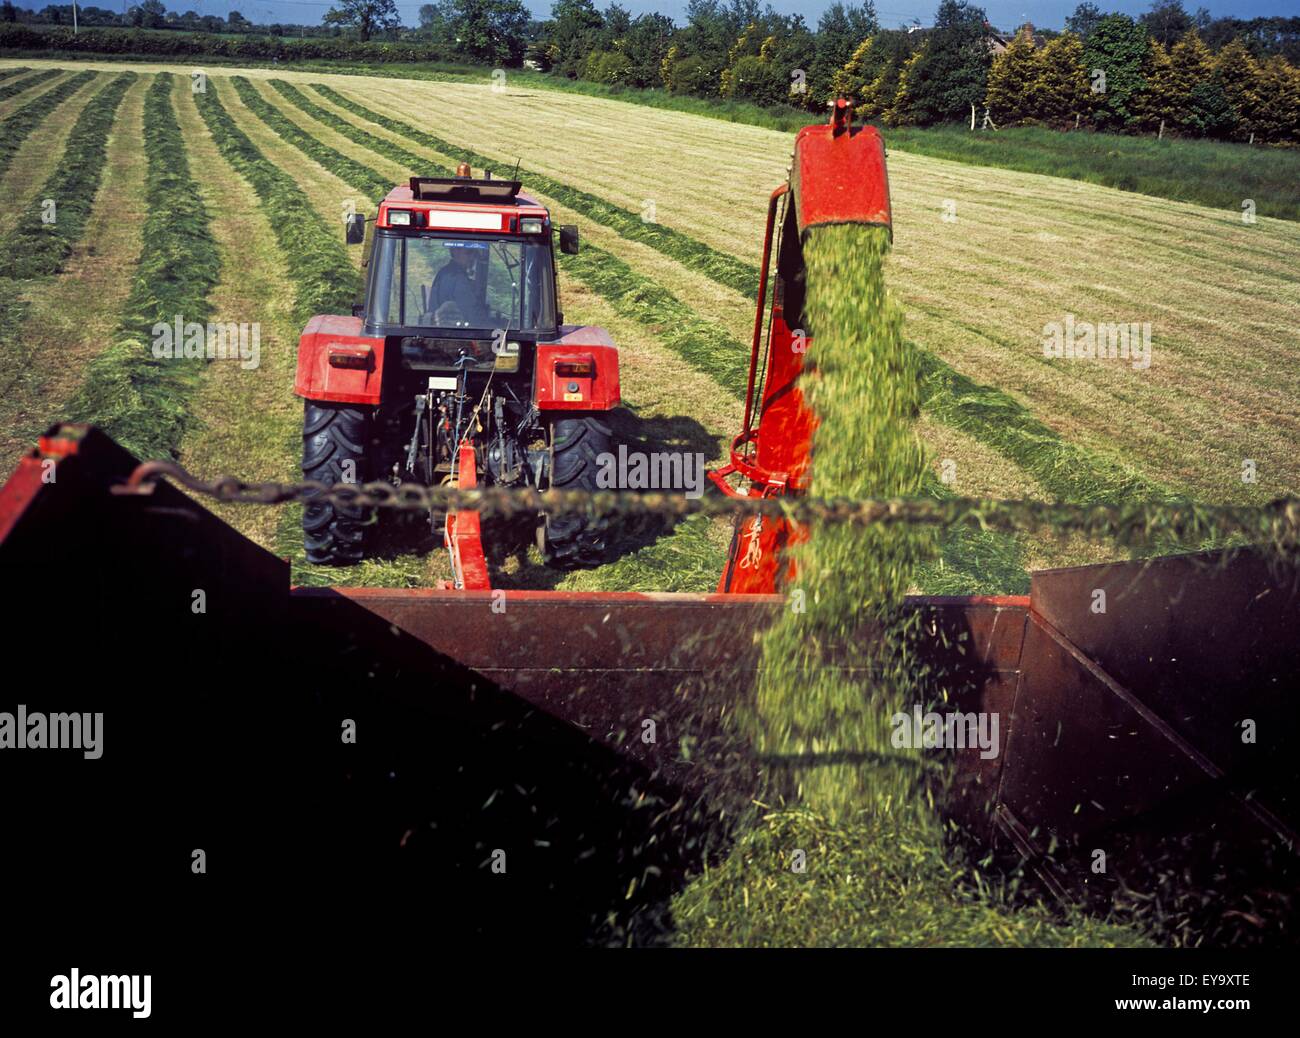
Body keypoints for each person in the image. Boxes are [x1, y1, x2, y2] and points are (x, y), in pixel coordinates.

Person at [429, 244, 487, 326]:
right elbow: (472, 315)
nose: (472, 258)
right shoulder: (458, 279)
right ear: (455, 251)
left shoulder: (444, 273)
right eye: (469, 253)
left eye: (475, 254)